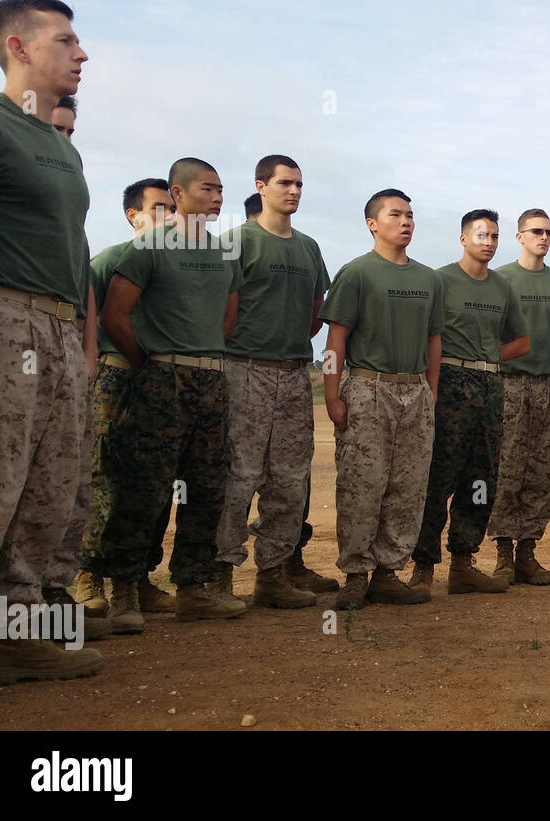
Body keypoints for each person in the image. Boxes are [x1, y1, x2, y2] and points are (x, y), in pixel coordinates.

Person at [0, 0, 103, 696]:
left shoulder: (63, 146)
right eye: (67, 41)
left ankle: (10, 636)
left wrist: (81, 344)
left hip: (58, 330)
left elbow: (74, 256)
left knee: (46, 489)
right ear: (20, 47)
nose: (81, 55)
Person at [96, 157, 246, 626]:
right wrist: (152, 365)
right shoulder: (148, 247)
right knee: (146, 485)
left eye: (221, 189)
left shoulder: (225, 252)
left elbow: (228, 316)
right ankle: (124, 591)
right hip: (163, 377)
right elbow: (114, 316)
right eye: (207, 188)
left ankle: (193, 587)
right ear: (178, 194)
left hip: (211, 380)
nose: (218, 197)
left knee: (207, 485)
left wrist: (206, 357)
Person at [211, 155, 330, 609]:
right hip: (244, 369)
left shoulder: (308, 247)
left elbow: (317, 307)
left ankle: (274, 574)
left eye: (299, 183)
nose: (294, 191)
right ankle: (220, 572)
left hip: (295, 372)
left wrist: (292, 341)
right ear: (261, 186)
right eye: (285, 183)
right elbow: (223, 308)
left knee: (289, 479)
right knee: (239, 474)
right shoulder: (235, 242)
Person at [319, 189, 443, 610]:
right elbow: (336, 338)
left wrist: (431, 390)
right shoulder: (356, 273)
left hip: (415, 390)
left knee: (407, 486)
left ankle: (389, 572)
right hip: (368, 388)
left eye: (410, 214)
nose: (406, 221)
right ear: (372, 223)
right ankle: (355, 574)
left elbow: (434, 340)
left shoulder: (429, 279)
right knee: (362, 484)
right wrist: (333, 395)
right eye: (396, 214)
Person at [410, 210, 529, 597]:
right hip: (449, 383)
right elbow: (426, 335)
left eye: (494, 236)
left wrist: (485, 356)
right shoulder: (439, 280)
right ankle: (423, 567)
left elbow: (522, 342)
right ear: (463, 239)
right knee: (437, 478)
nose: (489, 242)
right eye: (482, 235)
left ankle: (464, 563)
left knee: (480, 479)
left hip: (491, 386)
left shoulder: (503, 287)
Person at [76, 178, 177, 631]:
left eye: (173, 208)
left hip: (160, 379)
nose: (169, 216)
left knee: (154, 482)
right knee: (103, 477)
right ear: (132, 215)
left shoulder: (177, 263)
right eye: (158, 209)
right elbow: (87, 321)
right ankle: (89, 578)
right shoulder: (110, 260)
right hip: (115, 375)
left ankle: (136, 577)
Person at [486, 208, 550, 585]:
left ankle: (528, 551)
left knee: (543, 470)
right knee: (506, 468)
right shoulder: (500, 279)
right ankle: (503, 551)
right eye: (537, 231)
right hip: (509, 384)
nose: (544, 238)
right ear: (519, 236)